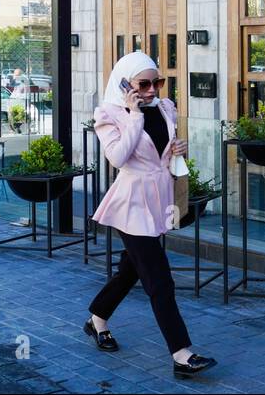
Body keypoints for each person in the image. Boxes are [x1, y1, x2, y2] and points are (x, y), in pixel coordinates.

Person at [85, 51, 217, 378]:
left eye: (157, 82)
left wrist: (177, 149)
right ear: (125, 83)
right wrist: (132, 115)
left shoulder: (164, 107)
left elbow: (161, 151)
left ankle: (96, 320)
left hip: (160, 200)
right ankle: (182, 354)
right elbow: (117, 157)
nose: (152, 90)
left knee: (130, 271)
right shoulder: (110, 114)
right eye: (144, 84)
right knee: (159, 279)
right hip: (131, 203)